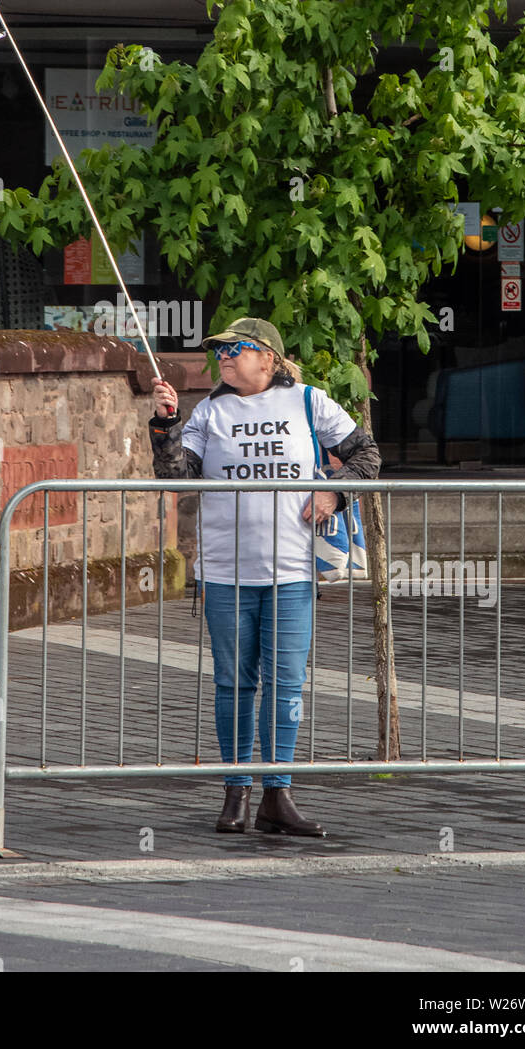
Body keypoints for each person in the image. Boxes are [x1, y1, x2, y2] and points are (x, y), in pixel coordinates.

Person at [149, 317, 381, 836]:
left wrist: (336, 491)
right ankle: (236, 791)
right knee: (233, 683)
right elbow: (176, 478)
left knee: (286, 685)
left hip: (293, 570)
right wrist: (166, 425)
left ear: (269, 358)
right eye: (220, 350)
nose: (224, 356)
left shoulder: (309, 401)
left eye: (236, 348)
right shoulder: (209, 410)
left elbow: (367, 454)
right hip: (226, 571)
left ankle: (277, 795)